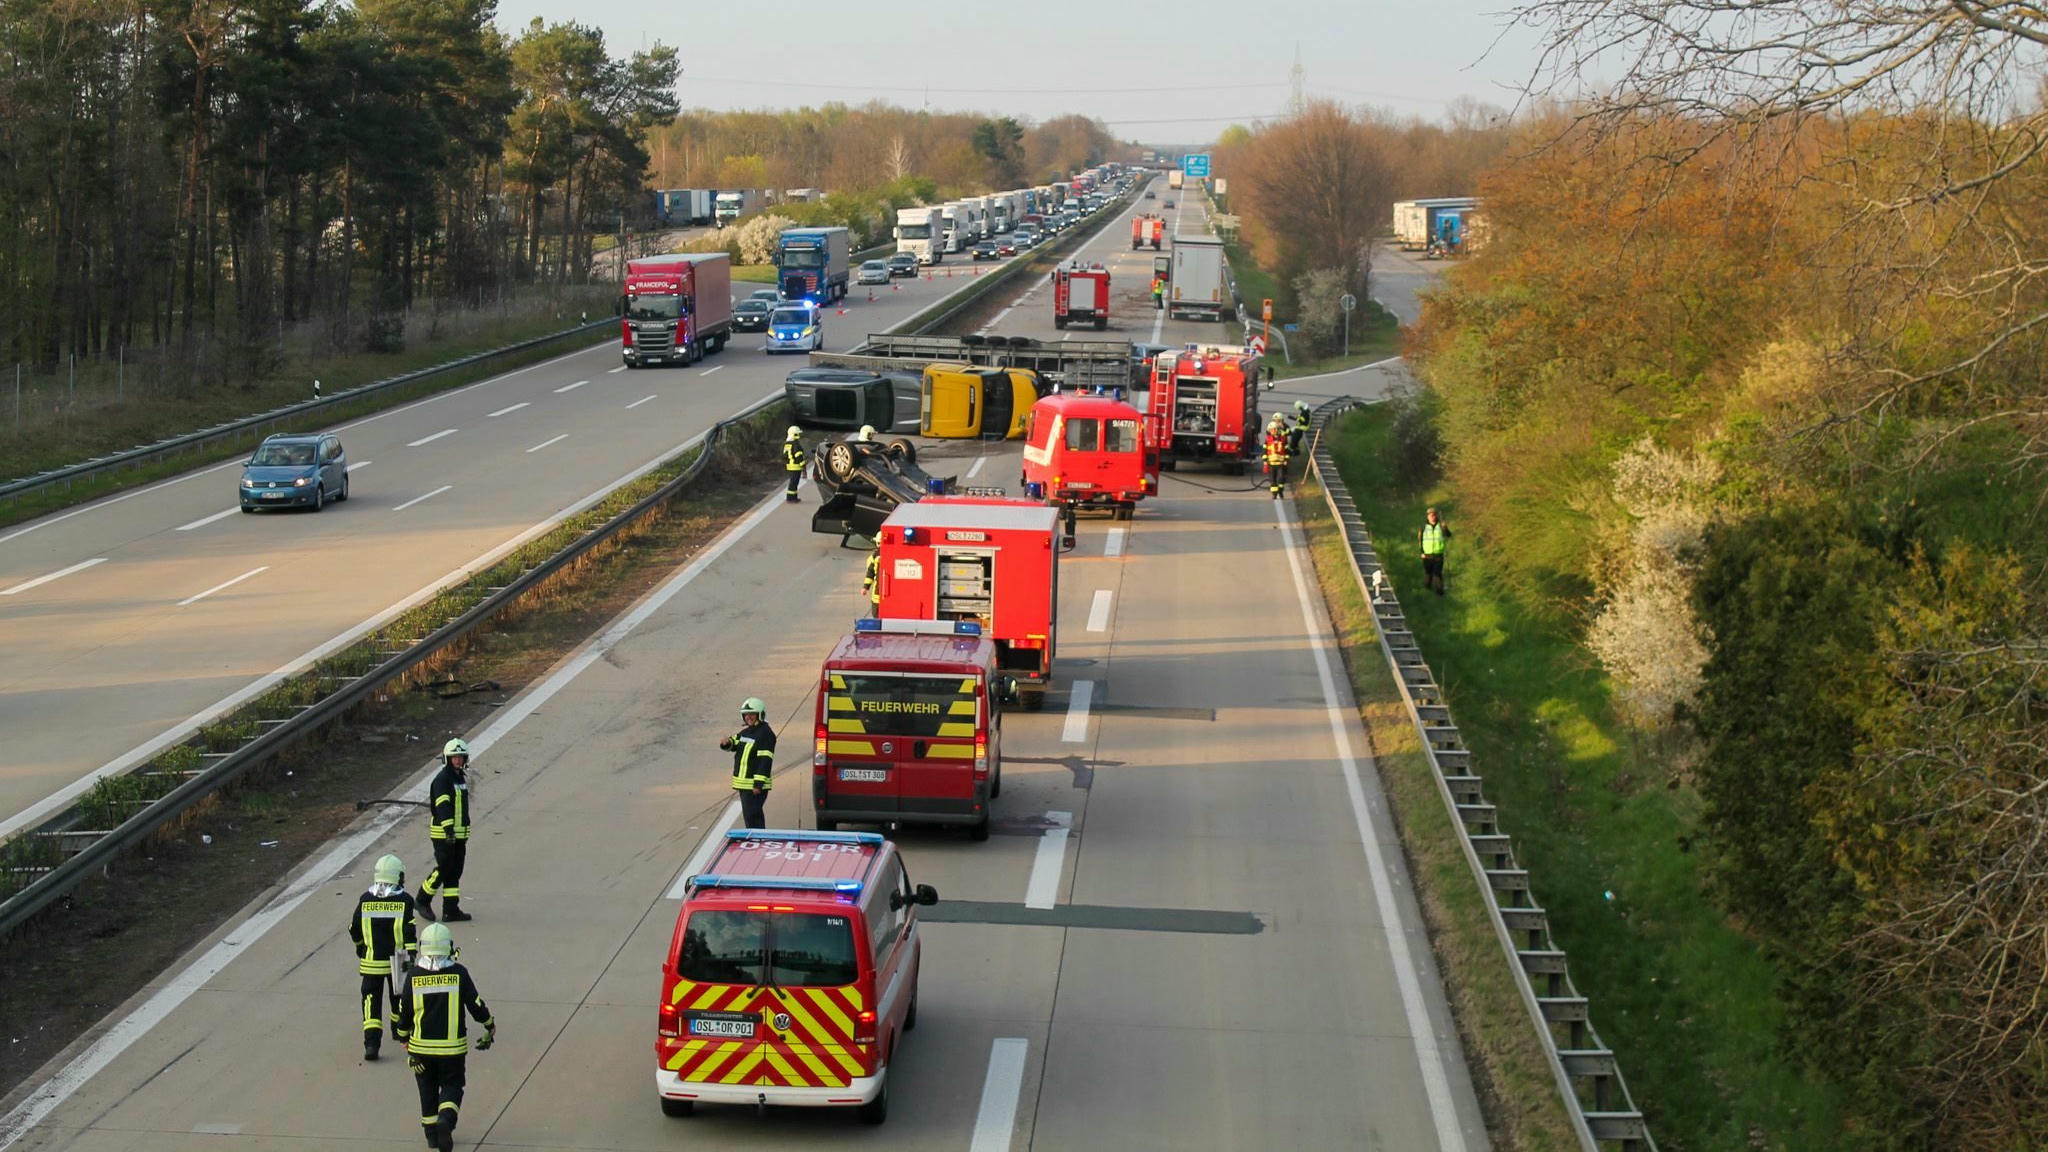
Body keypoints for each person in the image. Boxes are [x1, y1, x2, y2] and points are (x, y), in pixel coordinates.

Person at [393, 922, 495, 1152]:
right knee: (452, 1086)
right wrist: (489, 1024)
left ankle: (431, 1135)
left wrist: (403, 1037)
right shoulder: (459, 973)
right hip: (452, 1050)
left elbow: (405, 1010)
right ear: (448, 947)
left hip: (421, 1050)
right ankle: (445, 1122)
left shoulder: (414, 975)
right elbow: (475, 1004)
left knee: (426, 1088)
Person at [350, 853, 419, 1062]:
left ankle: (371, 1043)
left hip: (371, 961)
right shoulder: (405, 900)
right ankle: (398, 1030)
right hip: (397, 960)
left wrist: (361, 948)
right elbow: (409, 931)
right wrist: (411, 954)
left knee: (370, 1000)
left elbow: (354, 929)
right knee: (398, 997)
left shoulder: (366, 899)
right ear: (396, 876)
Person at [416, 739, 473, 923]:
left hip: (459, 834)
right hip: (444, 834)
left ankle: (450, 909)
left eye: (460, 757)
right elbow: (443, 807)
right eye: (454, 757)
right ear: (447, 759)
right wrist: (449, 830)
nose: (457, 760)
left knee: (455, 871)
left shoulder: (459, 778)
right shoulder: (443, 780)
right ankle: (422, 899)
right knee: (444, 868)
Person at [720, 698, 776, 830]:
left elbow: (765, 761)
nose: (748, 717)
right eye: (746, 715)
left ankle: (757, 841)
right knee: (750, 816)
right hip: (744, 784)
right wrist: (727, 743)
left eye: (752, 714)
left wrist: (758, 784)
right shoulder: (747, 731)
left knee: (753, 816)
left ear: (760, 715)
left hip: (754, 786)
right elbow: (735, 742)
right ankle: (755, 840)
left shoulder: (765, 734)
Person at [1420, 507, 1449, 596]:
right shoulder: (1424, 527)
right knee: (1428, 573)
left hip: (1438, 554)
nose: (1432, 517)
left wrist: (1445, 528)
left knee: (1437, 573)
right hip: (1427, 555)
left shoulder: (1440, 526)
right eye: (1431, 515)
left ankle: (1440, 592)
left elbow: (1448, 535)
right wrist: (1421, 552)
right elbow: (1420, 540)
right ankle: (1427, 588)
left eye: (1434, 515)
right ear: (1428, 516)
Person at [1262, 418, 1290, 500]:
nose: (1273, 431)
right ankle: (1274, 494)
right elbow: (1264, 451)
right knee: (1273, 480)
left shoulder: (1283, 439)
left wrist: (1286, 460)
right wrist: (1265, 461)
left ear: (1277, 430)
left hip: (1281, 464)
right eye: (1271, 430)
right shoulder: (1267, 440)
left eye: (1274, 429)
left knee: (1281, 479)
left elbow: (1287, 451)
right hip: (1271, 464)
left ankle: (1280, 492)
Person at [782, 426, 807, 503]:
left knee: (793, 482)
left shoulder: (787, 444)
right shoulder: (796, 445)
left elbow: (784, 456)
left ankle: (794, 497)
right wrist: (804, 468)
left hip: (789, 466)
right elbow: (799, 457)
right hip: (796, 467)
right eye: (797, 434)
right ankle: (790, 498)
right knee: (794, 483)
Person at [862, 550, 881, 616]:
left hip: (879, 595)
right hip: (877, 595)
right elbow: (870, 572)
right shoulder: (876, 555)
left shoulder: (875, 555)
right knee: (877, 615)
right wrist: (865, 587)